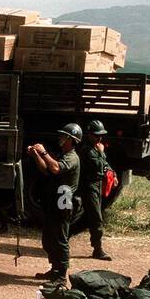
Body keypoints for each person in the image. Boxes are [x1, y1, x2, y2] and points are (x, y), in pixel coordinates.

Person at [29, 123, 82, 284]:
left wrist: (43, 152)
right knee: (49, 238)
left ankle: (61, 276)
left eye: (63, 136)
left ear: (70, 140)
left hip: (64, 201)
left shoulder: (72, 157)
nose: (60, 138)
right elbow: (47, 169)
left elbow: (56, 168)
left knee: (60, 239)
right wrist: (36, 155)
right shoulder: (62, 154)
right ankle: (55, 270)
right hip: (54, 200)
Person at [80, 119, 112, 260]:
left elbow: (104, 165)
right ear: (89, 134)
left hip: (96, 185)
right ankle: (97, 249)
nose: (99, 138)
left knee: (93, 217)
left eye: (101, 135)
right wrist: (101, 153)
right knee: (96, 218)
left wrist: (112, 172)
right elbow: (98, 165)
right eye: (96, 135)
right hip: (89, 186)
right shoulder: (88, 150)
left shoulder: (95, 148)